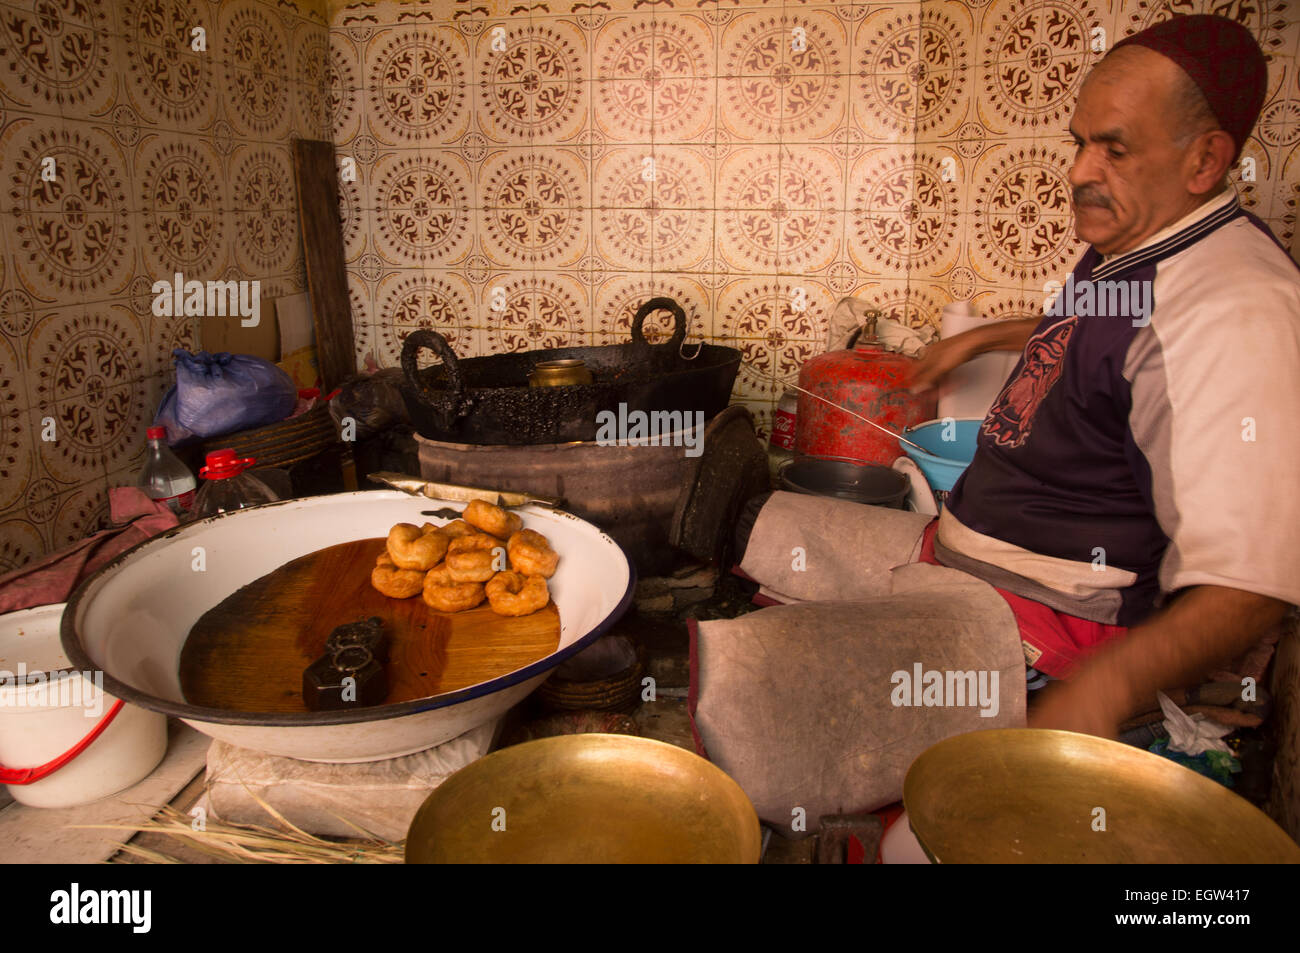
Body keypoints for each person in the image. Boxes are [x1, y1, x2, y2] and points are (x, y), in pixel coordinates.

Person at [906, 14, 1300, 738]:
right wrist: (980, 340)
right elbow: (1106, 340)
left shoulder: (1236, 310)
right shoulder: (1143, 237)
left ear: (1205, 161)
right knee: (769, 537)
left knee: (790, 705)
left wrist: (1097, 697)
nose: (1080, 172)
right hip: (976, 571)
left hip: (1046, 632)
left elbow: (1248, 590)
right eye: (1081, 143)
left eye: (1114, 149)